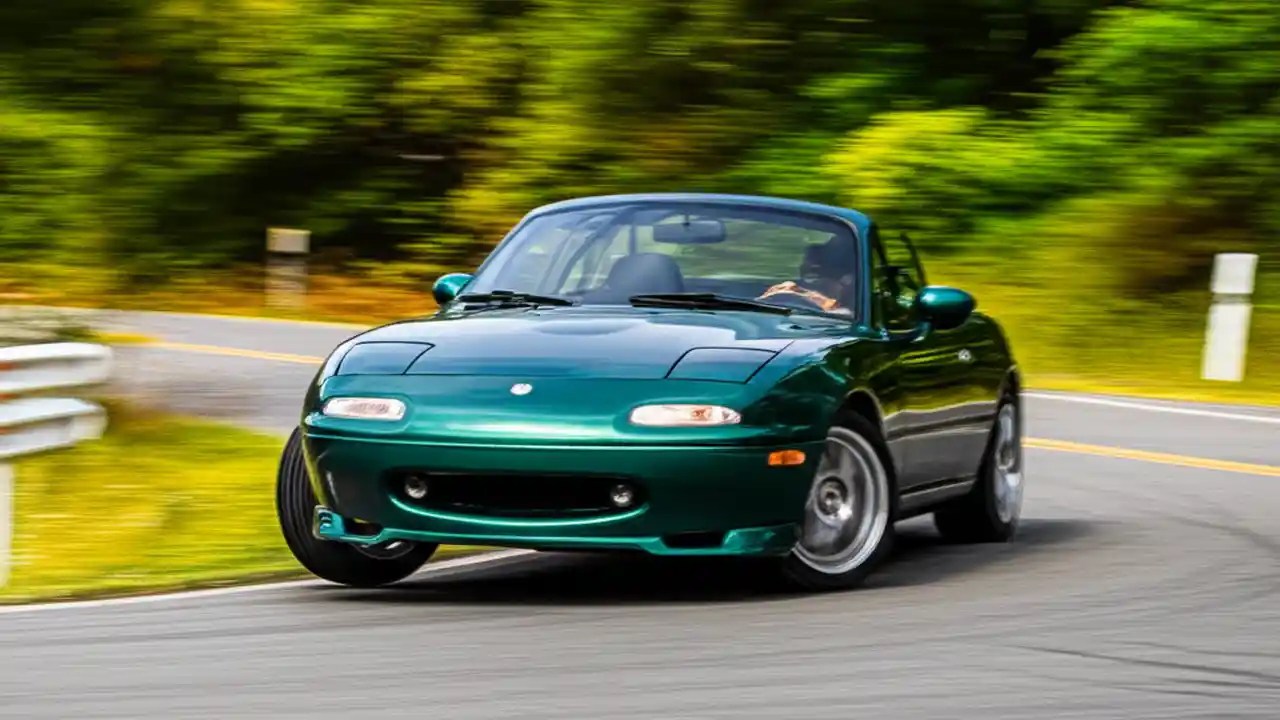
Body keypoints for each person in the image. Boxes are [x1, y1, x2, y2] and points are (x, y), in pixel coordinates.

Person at [757, 238, 856, 313]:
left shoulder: (854, 309)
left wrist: (811, 299)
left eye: (817, 277)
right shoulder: (790, 290)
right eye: (810, 277)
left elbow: (843, 319)